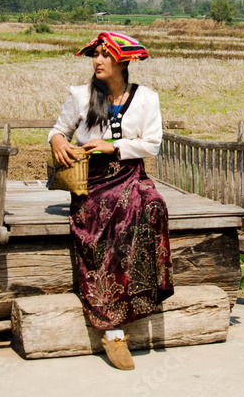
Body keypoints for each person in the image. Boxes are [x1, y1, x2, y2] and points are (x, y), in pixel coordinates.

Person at [48, 31, 173, 371]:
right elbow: (58, 129)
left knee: (152, 206)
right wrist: (59, 141)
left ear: (123, 61)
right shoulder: (81, 95)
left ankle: (141, 293)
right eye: (96, 55)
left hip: (131, 175)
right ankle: (113, 331)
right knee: (110, 222)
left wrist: (115, 146)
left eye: (106, 55)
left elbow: (152, 144)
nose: (98, 61)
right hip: (94, 183)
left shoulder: (147, 98)